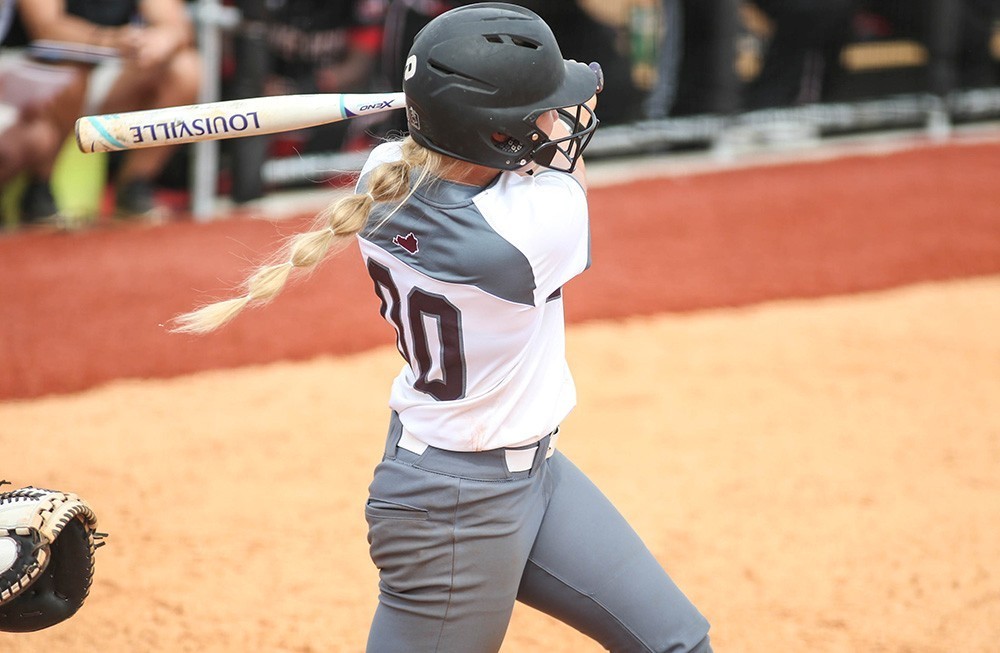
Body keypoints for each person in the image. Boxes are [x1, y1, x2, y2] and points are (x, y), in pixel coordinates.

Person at [172, 3, 712, 651]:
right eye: (542, 110)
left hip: (533, 474)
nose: (559, 117)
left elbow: (460, 149)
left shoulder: (383, 179)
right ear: (498, 137)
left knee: (676, 641)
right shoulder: (526, 232)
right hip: (452, 505)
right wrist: (559, 103)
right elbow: (564, 153)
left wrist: (494, 98)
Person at [13, 0, 201, 222]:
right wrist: (109, 40)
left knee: (186, 70)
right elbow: (46, 28)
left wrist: (160, 41)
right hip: (38, 76)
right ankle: (39, 189)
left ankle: (134, 187)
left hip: (111, 76)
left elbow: (176, 25)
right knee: (70, 74)